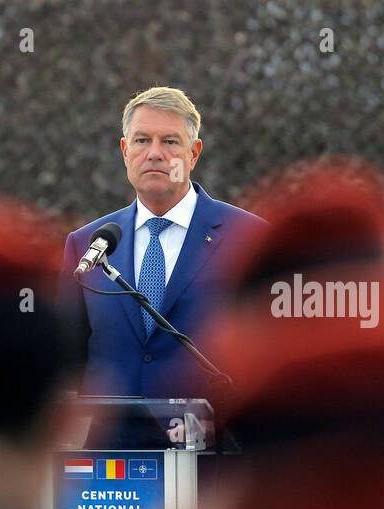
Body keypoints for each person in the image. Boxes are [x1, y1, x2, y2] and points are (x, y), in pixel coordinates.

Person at [59, 86, 264, 398]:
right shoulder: (87, 243)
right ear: (125, 151)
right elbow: (66, 360)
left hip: (214, 440)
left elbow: (266, 348)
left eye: (169, 141)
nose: (154, 153)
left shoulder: (249, 237)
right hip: (111, 444)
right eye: (142, 141)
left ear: (193, 154)